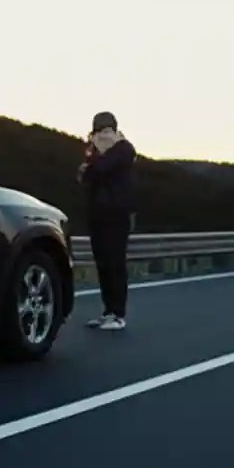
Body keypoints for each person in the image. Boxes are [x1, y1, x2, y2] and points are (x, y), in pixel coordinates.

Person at [78, 111, 136, 330]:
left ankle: (118, 314)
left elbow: (101, 169)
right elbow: (86, 176)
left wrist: (93, 162)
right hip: (97, 213)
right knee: (102, 264)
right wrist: (91, 165)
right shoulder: (95, 151)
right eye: (98, 130)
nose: (101, 135)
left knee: (115, 263)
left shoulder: (124, 149)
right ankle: (108, 311)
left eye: (105, 130)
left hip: (117, 213)